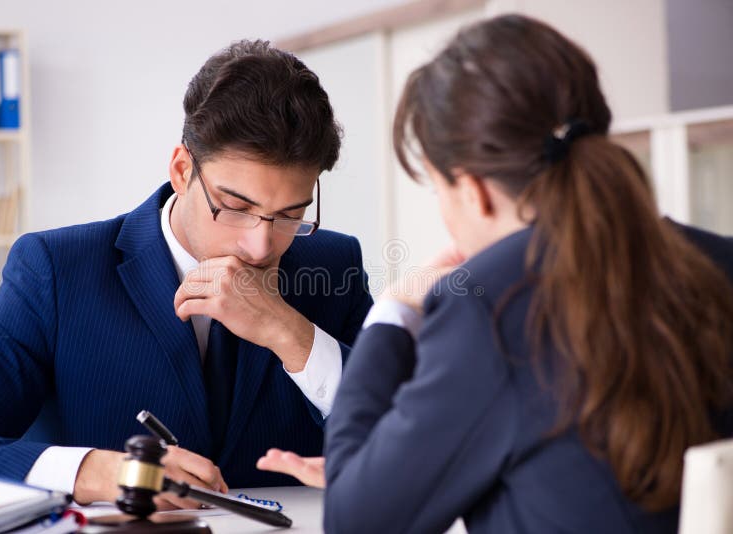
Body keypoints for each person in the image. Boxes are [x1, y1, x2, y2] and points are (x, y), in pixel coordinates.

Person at [257, 15, 733, 533]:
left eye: (437, 188)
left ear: (472, 189)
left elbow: (356, 522)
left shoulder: (493, 308)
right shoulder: (717, 262)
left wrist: (394, 309)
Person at [0, 40, 373, 509]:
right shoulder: (56, 270)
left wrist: (295, 338)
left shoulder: (334, 265)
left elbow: (413, 437)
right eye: (236, 208)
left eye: (290, 214)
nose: (262, 245)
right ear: (183, 170)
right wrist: (92, 471)